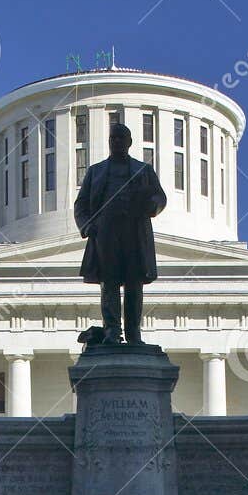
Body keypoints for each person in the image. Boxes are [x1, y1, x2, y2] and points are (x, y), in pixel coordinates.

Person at [73, 122, 166, 346]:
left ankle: (134, 333)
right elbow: (81, 205)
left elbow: (160, 198)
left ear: (129, 142)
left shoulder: (144, 171)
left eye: (120, 138)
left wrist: (150, 204)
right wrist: (87, 226)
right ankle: (112, 331)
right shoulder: (96, 171)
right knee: (109, 283)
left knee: (135, 284)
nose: (116, 142)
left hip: (134, 233)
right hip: (105, 233)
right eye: (113, 138)